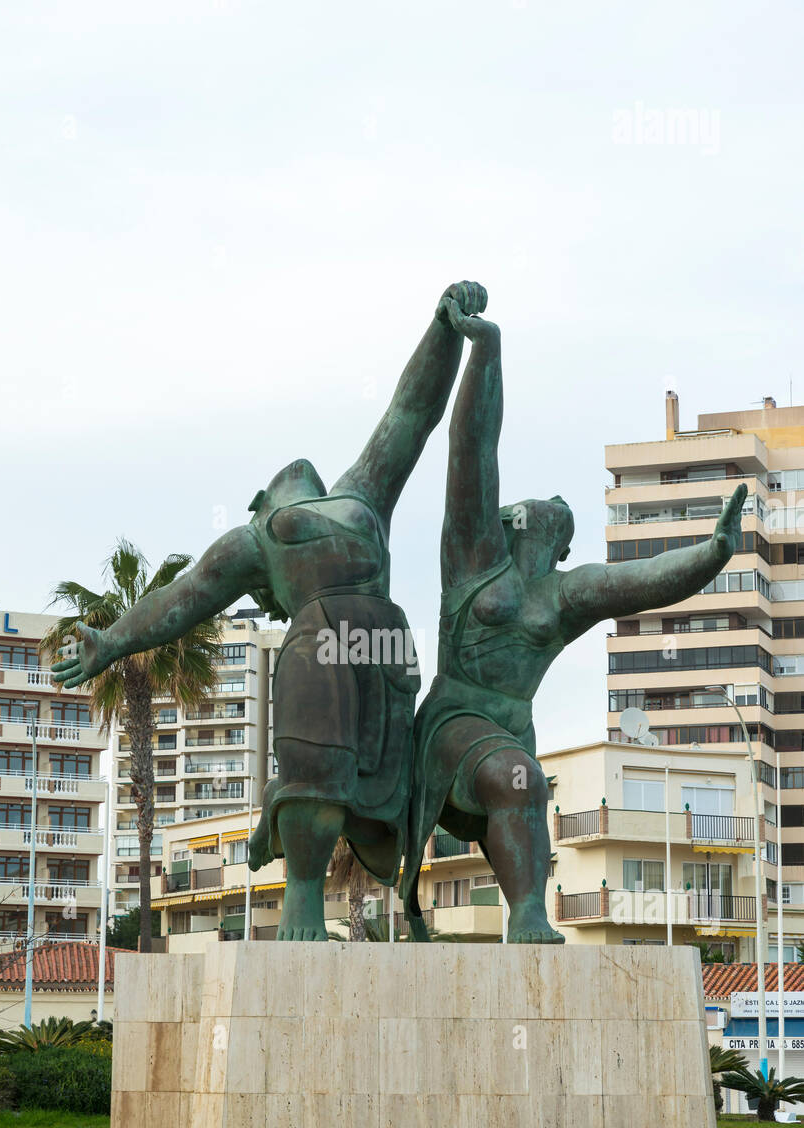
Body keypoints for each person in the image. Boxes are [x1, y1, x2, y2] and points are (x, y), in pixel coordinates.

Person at [52, 280, 487, 940]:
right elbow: (185, 596)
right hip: (321, 636)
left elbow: (412, 413)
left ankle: (399, 889)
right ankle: (304, 905)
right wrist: (113, 640)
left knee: (387, 765)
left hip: (381, 640)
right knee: (315, 765)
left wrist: (443, 325)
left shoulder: (362, 493)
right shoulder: (255, 540)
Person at [401, 298, 747, 943]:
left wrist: (713, 552)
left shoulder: (567, 592)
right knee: (520, 777)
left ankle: (528, 911)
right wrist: (488, 350)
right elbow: (472, 447)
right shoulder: (475, 556)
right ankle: (527, 910)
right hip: (453, 716)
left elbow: (644, 583)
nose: (550, 502)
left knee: (521, 778)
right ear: (512, 518)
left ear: (562, 544)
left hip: (509, 720)